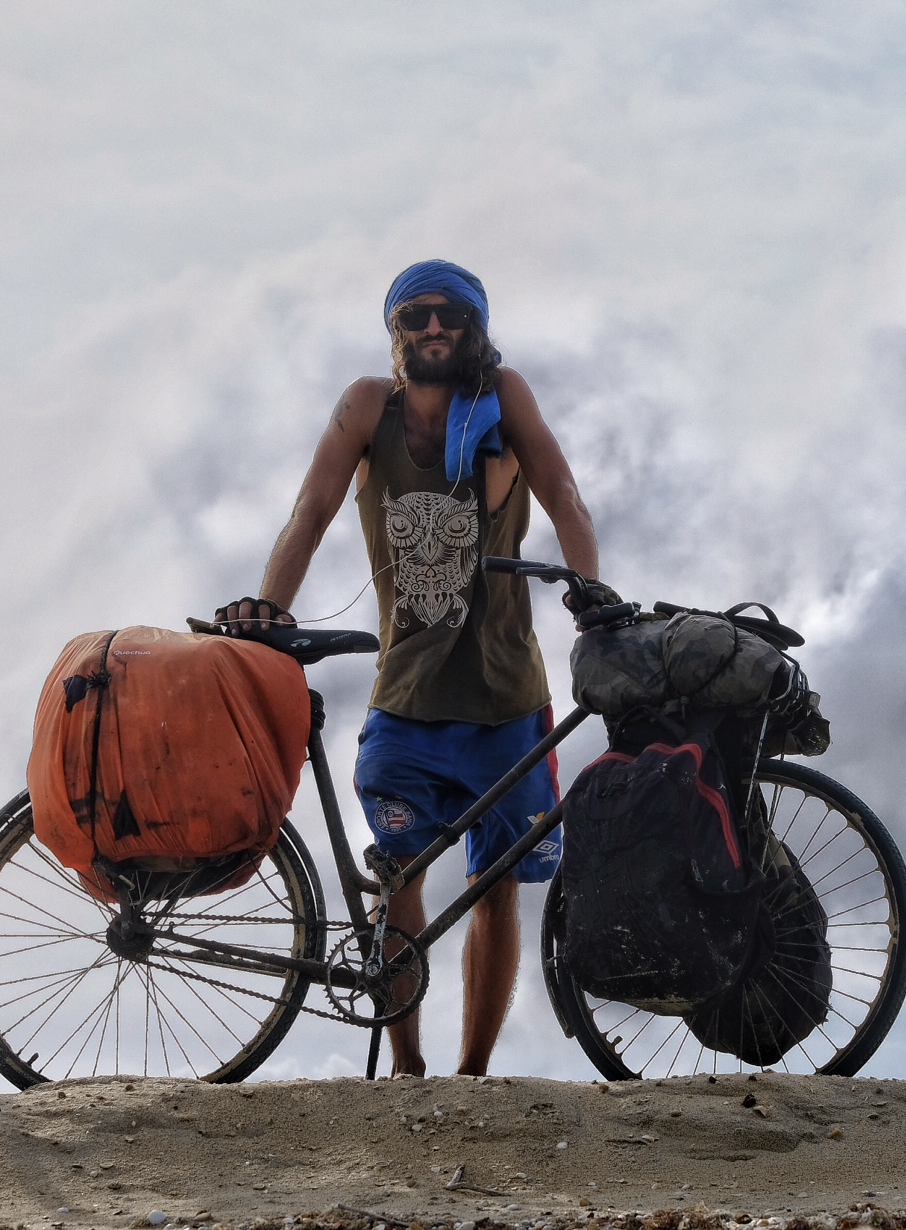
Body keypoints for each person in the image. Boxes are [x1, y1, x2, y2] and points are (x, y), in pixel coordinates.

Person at [216, 259, 610, 1077]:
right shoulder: (369, 408)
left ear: (475, 328)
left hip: (506, 699)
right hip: (406, 700)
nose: (434, 328)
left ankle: (471, 1076)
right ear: (394, 332)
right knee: (399, 875)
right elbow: (310, 513)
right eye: (416, 317)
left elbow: (564, 492)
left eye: (451, 316)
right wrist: (268, 611)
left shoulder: (503, 398)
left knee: (496, 886)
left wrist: (592, 598)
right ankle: (406, 1070)